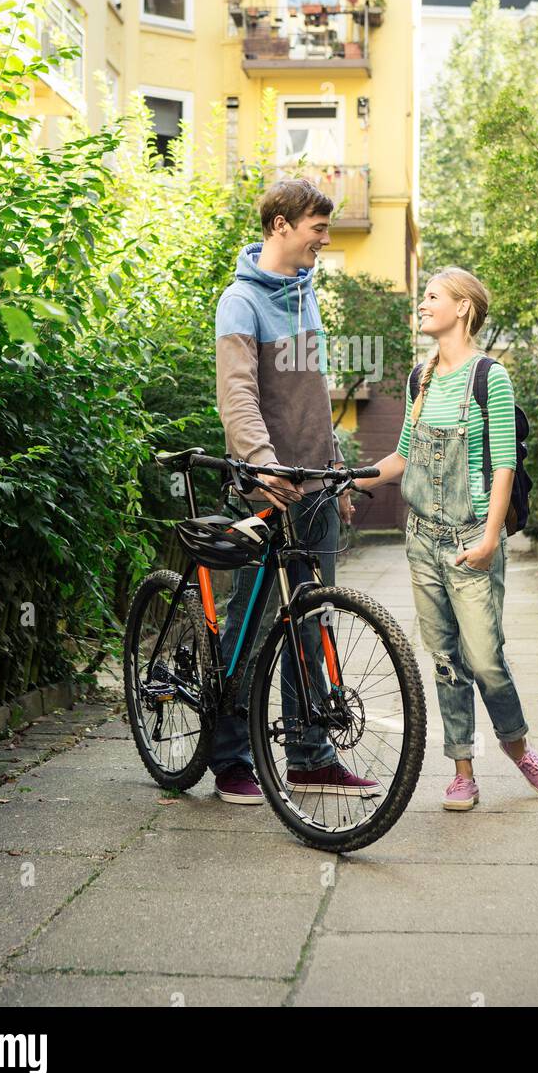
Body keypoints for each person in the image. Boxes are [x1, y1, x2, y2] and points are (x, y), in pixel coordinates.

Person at [354, 267, 538, 809]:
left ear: (463, 308)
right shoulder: (419, 376)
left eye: (432, 297)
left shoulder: (489, 376)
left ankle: (518, 748)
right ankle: (463, 770)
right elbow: (402, 456)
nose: (422, 304)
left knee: (485, 657)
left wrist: (493, 538)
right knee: (444, 659)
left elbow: (504, 465)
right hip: (422, 539)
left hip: (472, 539)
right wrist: (347, 479)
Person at [210, 178, 378, 804]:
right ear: (280, 225)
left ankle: (310, 755)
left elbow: (313, 396)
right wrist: (261, 465)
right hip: (266, 489)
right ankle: (229, 758)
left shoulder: (306, 297)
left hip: (313, 487)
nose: (325, 241)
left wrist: (334, 469)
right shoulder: (239, 303)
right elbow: (238, 398)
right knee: (251, 630)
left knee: (310, 623)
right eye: (316, 228)